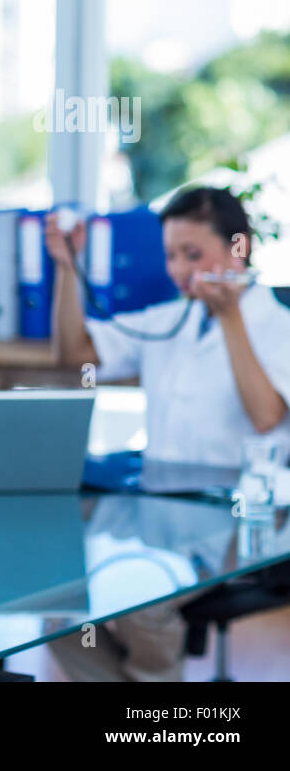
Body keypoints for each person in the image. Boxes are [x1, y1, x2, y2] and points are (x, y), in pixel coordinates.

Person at [45, 186, 290, 681]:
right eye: (172, 255)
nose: (179, 269)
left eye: (193, 254)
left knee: (142, 603)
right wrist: (67, 269)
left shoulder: (277, 324)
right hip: (158, 514)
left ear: (239, 248)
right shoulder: (168, 320)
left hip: (240, 520)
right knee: (57, 597)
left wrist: (230, 318)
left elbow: (266, 415)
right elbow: (74, 353)